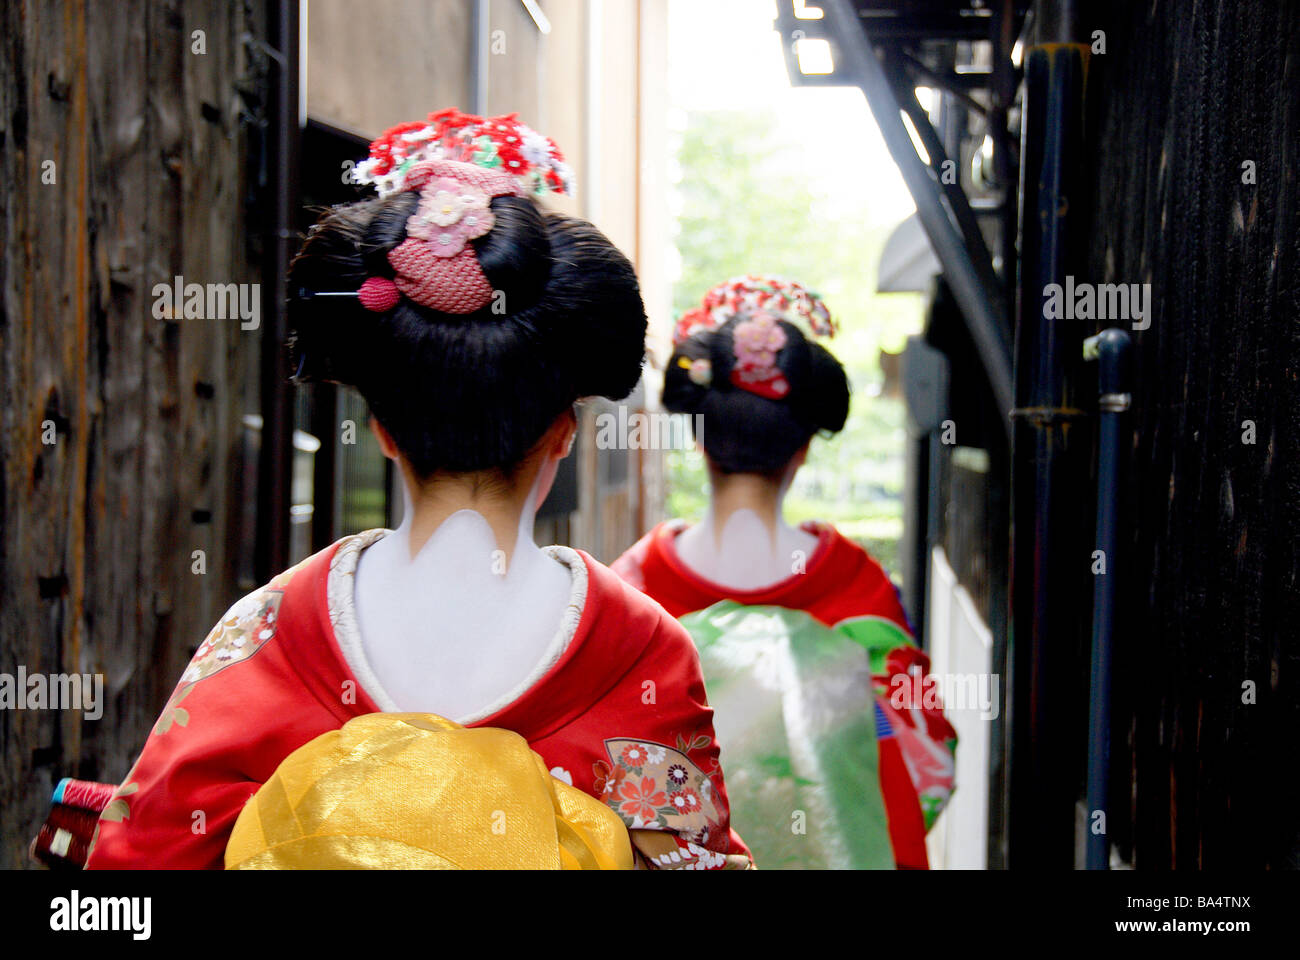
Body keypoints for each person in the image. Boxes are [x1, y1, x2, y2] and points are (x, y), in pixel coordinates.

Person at [84, 110, 750, 871]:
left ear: (384, 432)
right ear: (562, 434)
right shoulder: (636, 648)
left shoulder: (274, 628)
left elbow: (140, 857)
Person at [613, 275, 955, 868]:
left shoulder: (632, 590)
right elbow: (926, 762)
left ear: (700, 440)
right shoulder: (857, 585)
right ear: (803, 449)